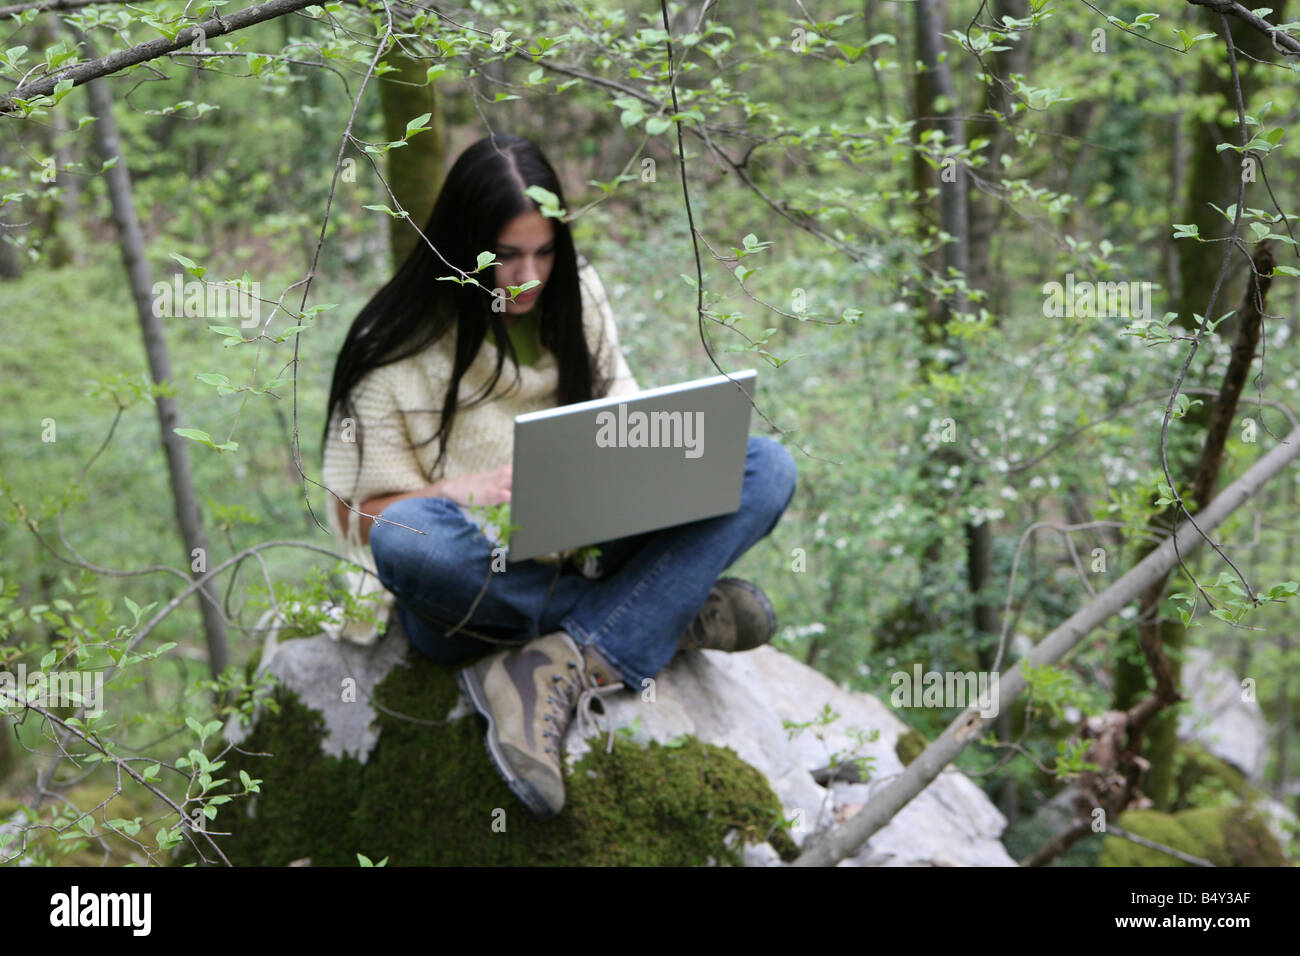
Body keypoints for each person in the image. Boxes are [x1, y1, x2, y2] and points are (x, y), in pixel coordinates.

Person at [320, 133, 798, 819]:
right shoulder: (394, 346)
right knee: (409, 537)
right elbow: (359, 517)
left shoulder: (580, 299)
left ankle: (556, 659)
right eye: (506, 256)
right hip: (476, 587)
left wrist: (654, 455)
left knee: (766, 466)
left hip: (591, 545)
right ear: (462, 246)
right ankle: (660, 615)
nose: (527, 276)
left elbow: (625, 421)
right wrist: (463, 491)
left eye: (545, 253)